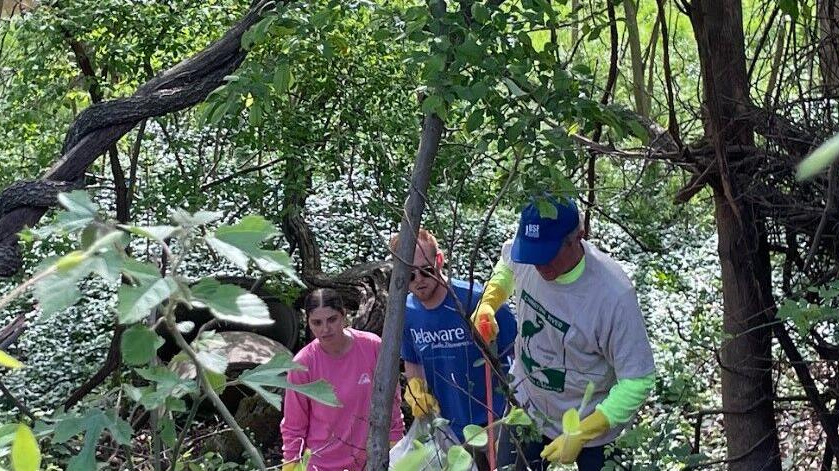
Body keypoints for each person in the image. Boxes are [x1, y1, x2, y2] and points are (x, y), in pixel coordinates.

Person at [471, 196, 655, 470]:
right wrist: (489, 301)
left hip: (591, 420)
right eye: (531, 255)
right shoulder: (528, 252)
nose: (539, 265)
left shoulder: (612, 295)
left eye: (548, 254)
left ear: (578, 238)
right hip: (528, 403)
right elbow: (507, 267)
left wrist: (583, 431)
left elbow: (638, 380)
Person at [393, 229, 517, 469]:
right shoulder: (405, 312)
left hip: (495, 421)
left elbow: (517, 354)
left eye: (426, 270)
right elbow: (413, 361)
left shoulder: (475, 300)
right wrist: (416, 391)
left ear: (439, 260)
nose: (419, 279)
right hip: (448, 427)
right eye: (409, 275)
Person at [280, 288, 404, 471]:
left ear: (343, 315)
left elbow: (392, 401)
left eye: (332, 319)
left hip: (372, 460)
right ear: (308, 322)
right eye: (317, 322)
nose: (325, 329)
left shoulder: (372, 347)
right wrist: (292, 464)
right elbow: (294, 425)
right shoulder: (302, 364)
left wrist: (396, 444)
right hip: (321, 464)